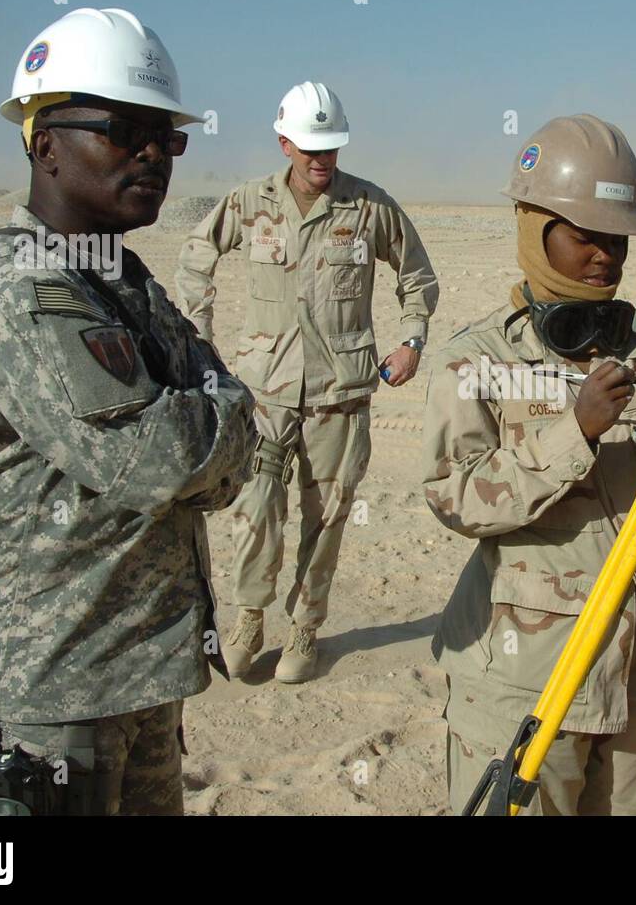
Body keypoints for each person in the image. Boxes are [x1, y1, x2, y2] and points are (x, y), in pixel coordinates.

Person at [0, 7, 257, 815]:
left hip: (132, 674)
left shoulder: (121, 280)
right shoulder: (18, 289)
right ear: (43, 144)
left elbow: (234, 436)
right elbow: (164, 458)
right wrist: (215, 421)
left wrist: (215, 424)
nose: (152, 154)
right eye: (123, 129)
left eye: (167, 137)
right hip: (40, 697)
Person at [424, 114, 636, 815]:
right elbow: (454, 496)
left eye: (616, 238)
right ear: (535, 226)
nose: (605, 256)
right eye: (585, 234)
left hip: (634, 677)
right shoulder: (479, 361)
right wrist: (573, 433)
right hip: (524, 686)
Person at [176, 82, 439, 684]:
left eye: (332, 148)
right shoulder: (250, 202)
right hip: (264, 391)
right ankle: (249, 617)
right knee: (256, 507)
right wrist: (202, 340)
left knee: (327, 515)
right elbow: (197, 256)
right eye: (310, 149)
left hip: (340, 393)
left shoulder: (369, 208)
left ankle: (305, 627)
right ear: (285, 142)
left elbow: (417, 276)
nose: (322, 161)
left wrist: (412, 340)